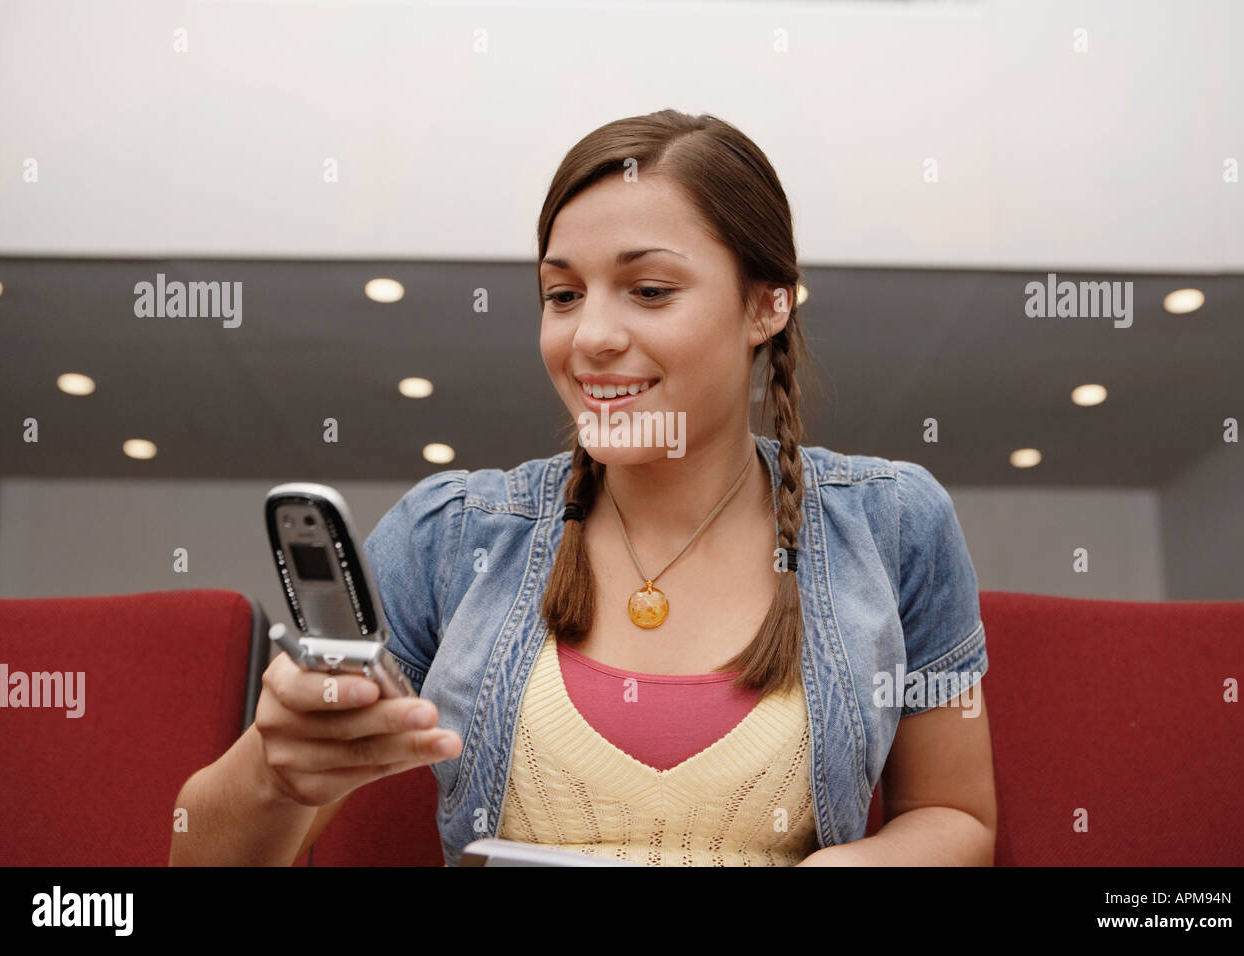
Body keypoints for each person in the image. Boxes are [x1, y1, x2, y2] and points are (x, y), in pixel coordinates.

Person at [169, 109, 995, 867]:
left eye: (650, 290)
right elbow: (200, 855)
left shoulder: (894, 524)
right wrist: (276, 780)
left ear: (765, 306)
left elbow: (957, 817)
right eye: (562, 295)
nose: (591, 336)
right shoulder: (449, 537)